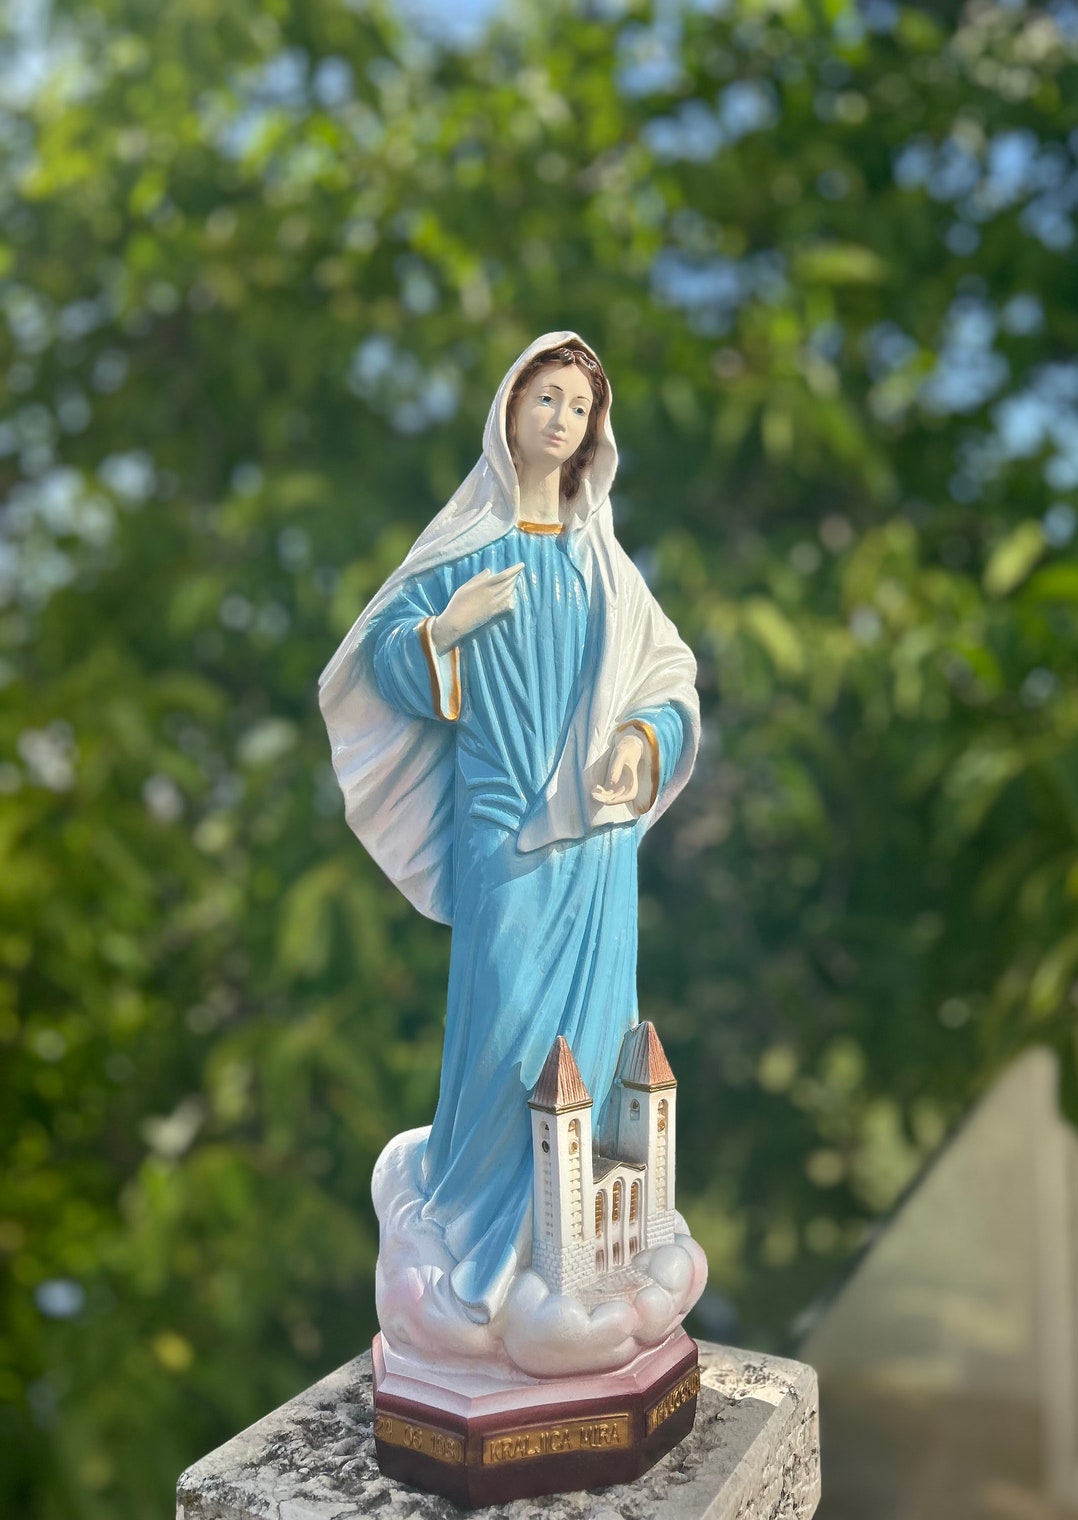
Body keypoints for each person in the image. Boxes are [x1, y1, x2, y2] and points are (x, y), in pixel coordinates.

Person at [319, 331, 700, 1328]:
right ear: (510, 411)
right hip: (500, 821)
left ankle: (577, 1243)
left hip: (597, 840)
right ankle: (480, 1218)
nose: (561, 418)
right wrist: (444, 631)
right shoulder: (466, 549)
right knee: (504, 1023)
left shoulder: (605, 566)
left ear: (592, 434)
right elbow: (373, 666)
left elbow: (670, 685)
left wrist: (639, 743)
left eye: (578, 406)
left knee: (595, 1033)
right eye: (547, 398)